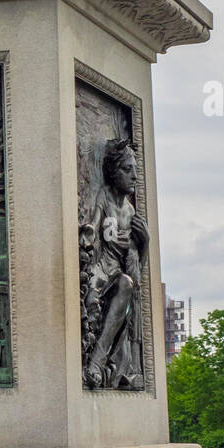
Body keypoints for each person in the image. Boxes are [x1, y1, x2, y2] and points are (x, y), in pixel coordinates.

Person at [82, 140, 149, 389]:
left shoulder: (131, 212)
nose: (134, 175)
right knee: (95, 291)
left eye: (135, 169)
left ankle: (97, 362)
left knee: (127, 284)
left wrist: (146, 243)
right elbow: (93, 228)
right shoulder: (105, 197)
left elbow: (135, 268)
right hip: (100, 267)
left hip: (118, 273)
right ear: (113, 173)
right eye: (127, 169)